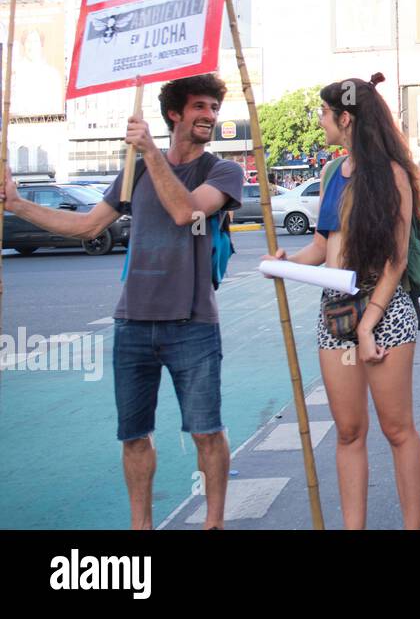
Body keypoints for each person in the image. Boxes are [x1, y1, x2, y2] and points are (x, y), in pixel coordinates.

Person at [3, 74, 243, 529]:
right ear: (175, 113)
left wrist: (150, 151)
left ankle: (214, 523)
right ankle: (141, 527)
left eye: (213, 107)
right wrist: (17, 205)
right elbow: (88, 226)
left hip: (193, 324)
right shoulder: (134, 171)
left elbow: (185, 211)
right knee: (133, 436)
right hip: (132, 323)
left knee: (206, 431)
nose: (209, 116)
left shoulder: (221, 171)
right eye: (199, 107)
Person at [263, 74, 420, 529]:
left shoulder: (393, 174)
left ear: (346, 118)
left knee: (398, 430)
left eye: (324, 114)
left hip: (384, 306)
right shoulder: (331, 172)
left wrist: (369, 321)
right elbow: (322, 244)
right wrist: (286, 260)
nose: (320, 121)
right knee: (349, 432)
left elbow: (395, 259)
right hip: (334, 310)